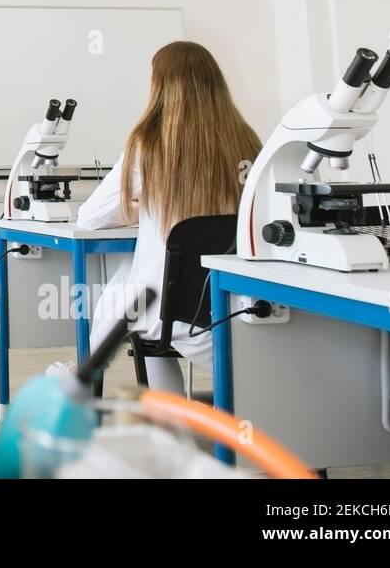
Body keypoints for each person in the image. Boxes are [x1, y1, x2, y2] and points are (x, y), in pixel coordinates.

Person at [76, 41, 261, 392]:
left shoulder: (149, 145)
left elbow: (89, 218)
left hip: (170, 315)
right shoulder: (248, 141)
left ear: (160, 87)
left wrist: (133, 205)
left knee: (121, 285)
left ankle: (83, 380)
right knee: (137, 295)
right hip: (235, 311)